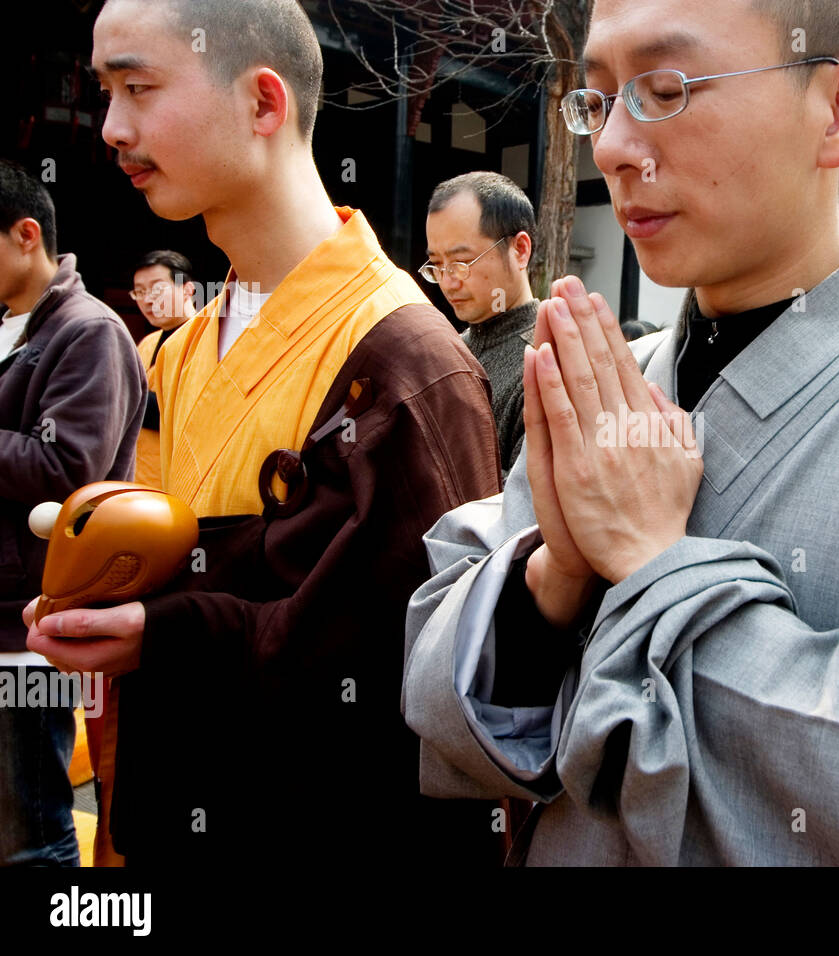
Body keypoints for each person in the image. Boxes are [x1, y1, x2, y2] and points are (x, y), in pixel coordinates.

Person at [403, 0, 839, 865]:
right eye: (597, 99)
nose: (617, 148)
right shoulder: (616, 384)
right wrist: (555, 575)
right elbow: (436, 689)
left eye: (666, 89)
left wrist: (652, 565)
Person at [25, 0, 503, 867]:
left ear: (264, 104)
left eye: (137, 87)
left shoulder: (404, 358)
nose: (112, 129)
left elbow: (421, 673)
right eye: (105, 92)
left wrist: (160, 631)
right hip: (170, 809)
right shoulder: (177, 353)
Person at [0, 159, 145, 865]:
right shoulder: (12, 327)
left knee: (31, 828)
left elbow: (66, 473)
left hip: (30, 616)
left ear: (26, 235)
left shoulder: (89, 332)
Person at [425, 172, 537, 472]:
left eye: (461, 264)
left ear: (519, 250)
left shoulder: (544, 361)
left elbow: (527, 501)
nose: (448, 283)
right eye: (436, 265)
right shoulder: (448, 351)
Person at [129, 249, 197, 488]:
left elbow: (189, 414)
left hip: (180, 482)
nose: (147, 299)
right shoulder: (146, 343)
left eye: (157, 289)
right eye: (139, 291)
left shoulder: (207, 339)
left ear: (187, 289)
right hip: (137, 478)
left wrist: (119, 395)